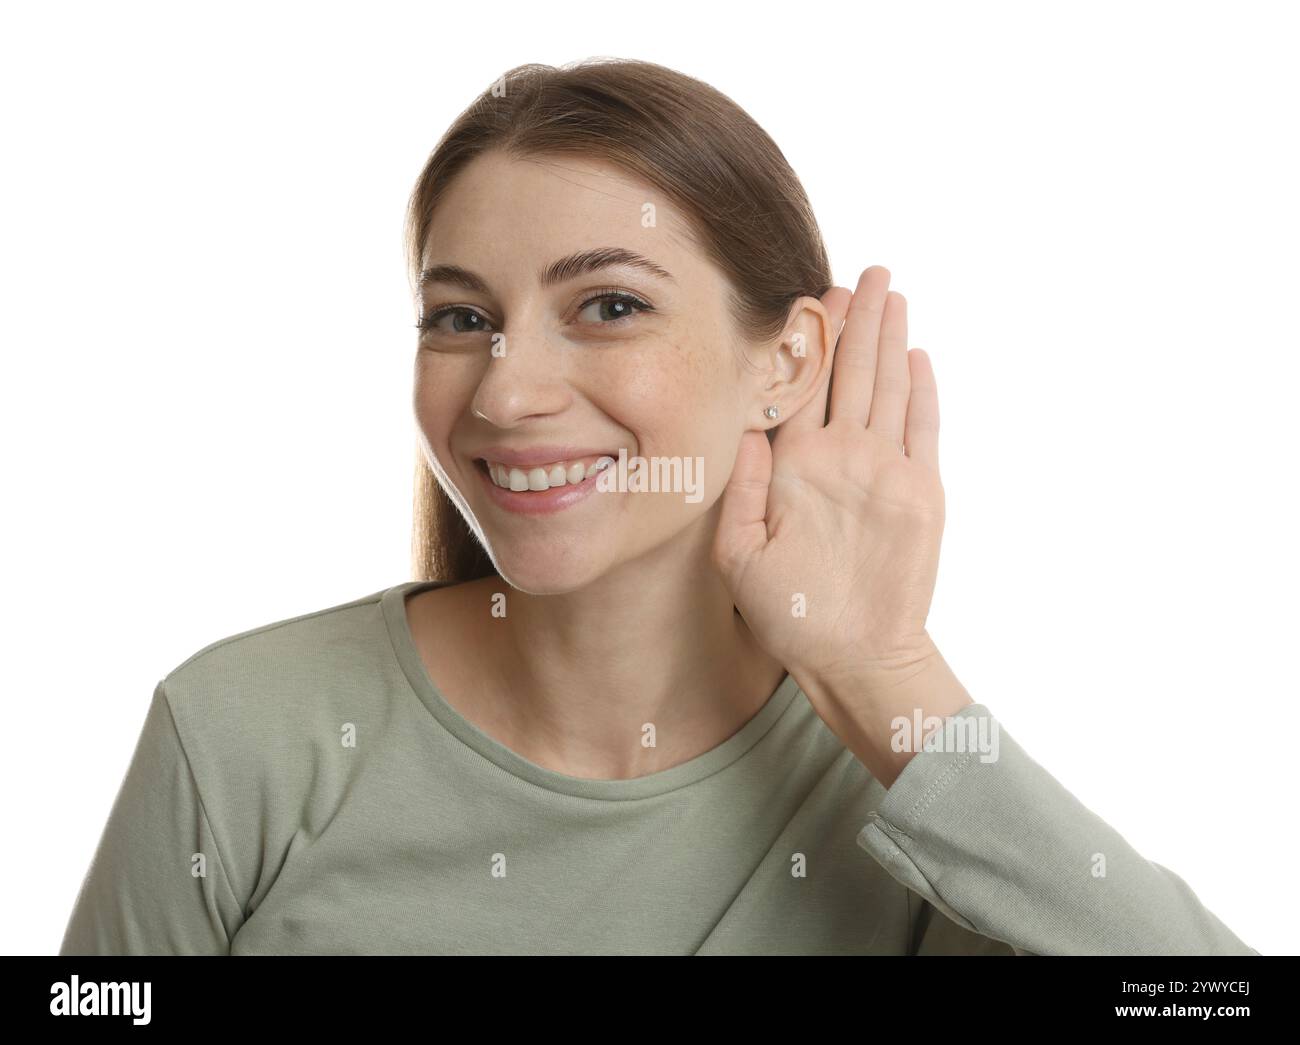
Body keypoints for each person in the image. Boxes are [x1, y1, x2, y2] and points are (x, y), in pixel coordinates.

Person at [59, 58, 1257, 956]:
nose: (508, 390)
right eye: (460, 317)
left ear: (789, 359)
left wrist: (888, 673)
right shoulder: (237, 735)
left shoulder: (905, 797)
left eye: (610, 307)